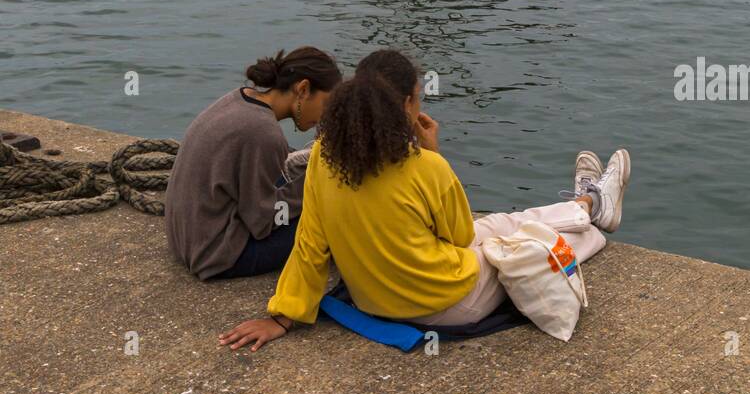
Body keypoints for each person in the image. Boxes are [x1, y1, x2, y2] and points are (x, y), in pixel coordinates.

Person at [219, 50, 629, 350]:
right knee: (526, 242)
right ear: (405, 106)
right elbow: (459, 236)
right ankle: (592, 217)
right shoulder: (425, 167)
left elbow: (310, 244)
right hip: (449, 303)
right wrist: (433, 154)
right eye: (418, 96)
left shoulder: (325, 161)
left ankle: (587, 204)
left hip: (374, 300)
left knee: (506, 220)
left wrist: (282, 316)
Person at [166, 46, 342, 281]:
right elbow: (264, 222)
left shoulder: (240, 97)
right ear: (303, 89)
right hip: (215, 254)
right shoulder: (265, 134)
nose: (324, 115)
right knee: (329, 215)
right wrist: (317, 184)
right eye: (326, 103)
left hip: (185, 237)